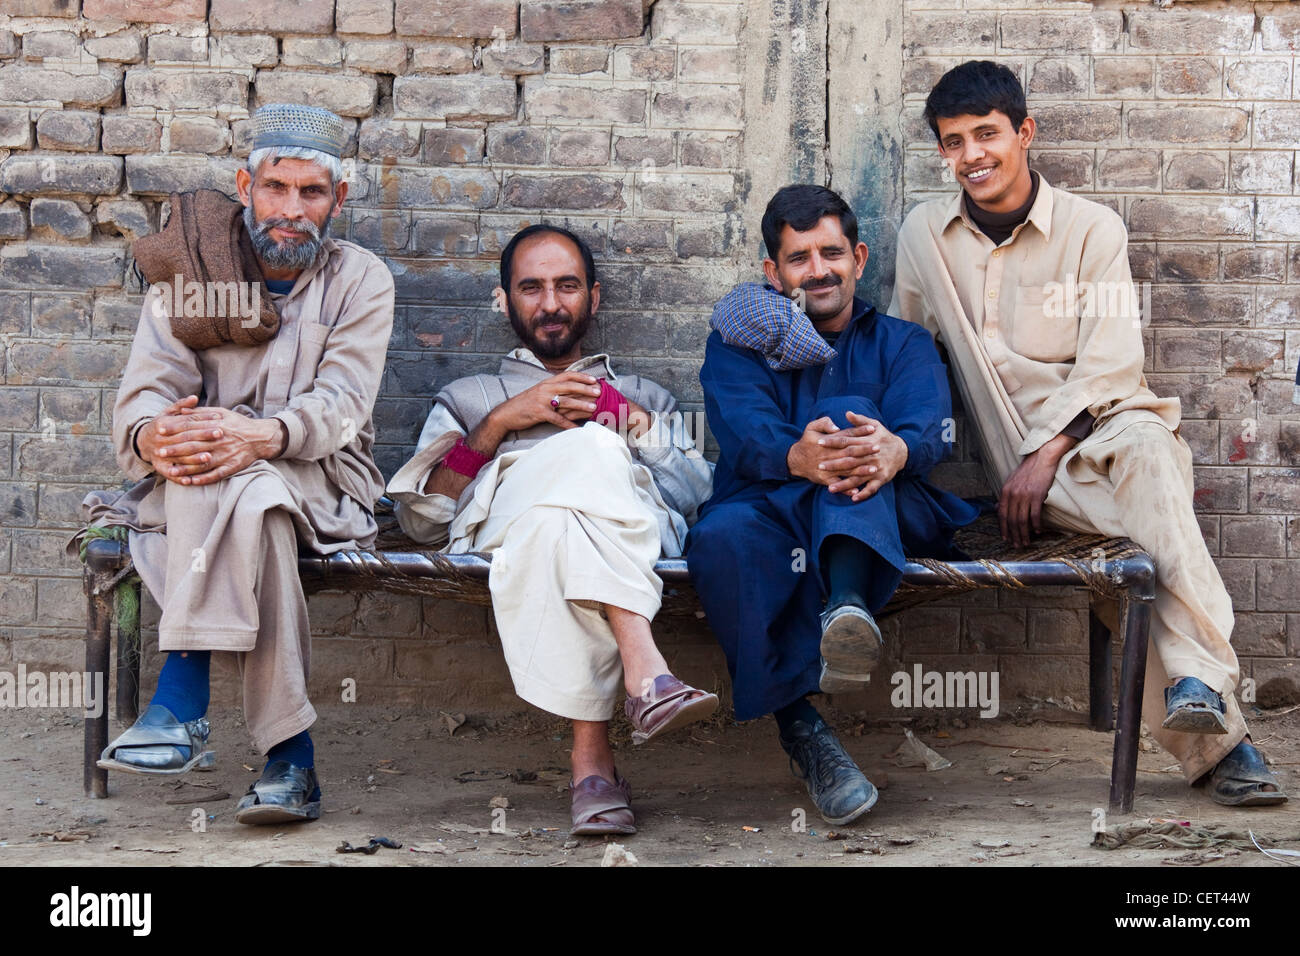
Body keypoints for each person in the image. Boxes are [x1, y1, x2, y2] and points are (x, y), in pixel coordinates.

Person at [890, 60, 1285, 806]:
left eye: (987, 134)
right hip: (1015, 462)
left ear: (1024, 133)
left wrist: (1046, 455)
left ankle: (1205, 698)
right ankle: (1216, 725)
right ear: (942, 153)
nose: (972, 155)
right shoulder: (924, 238)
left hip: (1104, 430)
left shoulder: (1092, 228)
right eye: (953, 142)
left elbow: (1112, 364)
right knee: (1155, 543)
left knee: (1148, 462)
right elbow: (912, 351)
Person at [78, 103, 396, 824]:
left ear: (337, 200)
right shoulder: (193, 269)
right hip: (212, 484)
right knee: (237, 488)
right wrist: (156, 435)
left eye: (312, 193)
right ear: (245, 185)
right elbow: (144, 396)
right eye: (276, 188)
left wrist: (263, 435)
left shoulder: (361, 279)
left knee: (232, 472)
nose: (292, 209)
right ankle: (291, 762)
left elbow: (344, 403)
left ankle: (181, 698)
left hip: (323, 478)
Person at [387, 224, 717, 836]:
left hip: (560, 537)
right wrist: (497, 426)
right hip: (502, 532)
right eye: (531, 287)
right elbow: (421, 522)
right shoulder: (469, 398)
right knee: (580, 464)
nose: (550, 303)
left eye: (567, 286)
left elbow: (697, 499)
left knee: (563, 515)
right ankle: (645, 674)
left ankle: (591, 763)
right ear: (505, 299)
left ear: (592, 298)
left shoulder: (644, 395)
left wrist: (628, 422)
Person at [686, 185, 979, 825]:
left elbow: (927, 426)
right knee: (722, 539)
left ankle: (846, 606)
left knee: (851, 419)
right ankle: (804, 728)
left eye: (831, 252)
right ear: (774, 271)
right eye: (799, 258)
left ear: (860, 258)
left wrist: (897, 449)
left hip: (885, 513)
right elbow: (740, 428)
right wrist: (798, 458)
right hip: (773, 509)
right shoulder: (738, 344)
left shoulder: (904, 342)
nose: (818, 270)